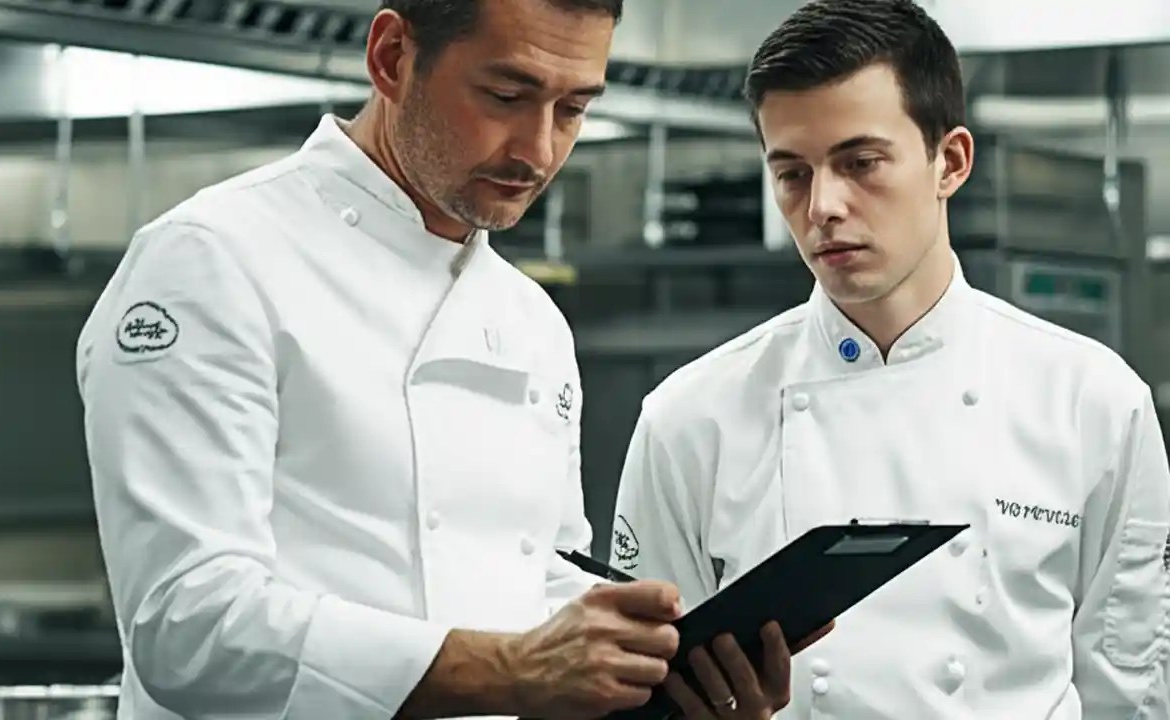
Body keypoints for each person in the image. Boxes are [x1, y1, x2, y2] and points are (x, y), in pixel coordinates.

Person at [76, 0, 818, 718]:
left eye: (572, 110)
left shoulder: (532, 321)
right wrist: (512, 672)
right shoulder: (215, 261)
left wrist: (667, 662)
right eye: (505, 94)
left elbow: (540, 580)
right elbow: (187, 627)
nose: (539, 151)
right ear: (393, 58)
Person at [609, 0, 1170, 718]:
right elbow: (646, 697)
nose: (823, 208)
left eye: (860, 162)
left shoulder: (1093, 401)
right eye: (792, 173)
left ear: (951, 162)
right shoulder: (690, 419)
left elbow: (1129, 692)